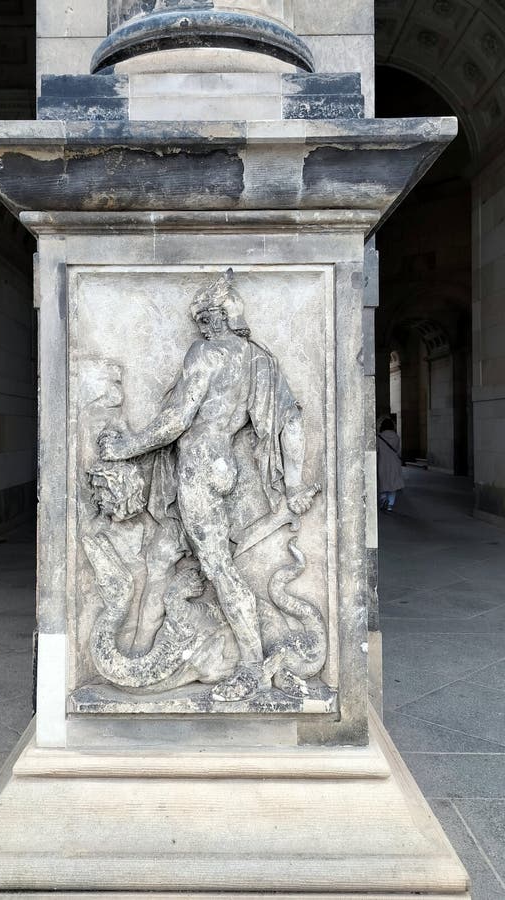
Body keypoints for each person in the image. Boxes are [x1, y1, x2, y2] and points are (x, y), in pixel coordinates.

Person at [98, 269, 317, 701]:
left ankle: (251, 665)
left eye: (202, 317)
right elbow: (290, 421)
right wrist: (293, 486)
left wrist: (126, 446)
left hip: (198, 464)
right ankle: (146, 642)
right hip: (222, 467)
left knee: (218, 567)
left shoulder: (206, 353)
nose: (200, 326)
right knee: (165, 551)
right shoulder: (259, 360)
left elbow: (177, 421)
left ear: (216, 317)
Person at [377, 417, 404, 512]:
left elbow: (377, 450)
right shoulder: (396, 437)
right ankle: (390, 505)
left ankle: (384, 499)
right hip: (394, 463)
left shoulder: (379, 437)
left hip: (383, 462)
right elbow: (398, 450)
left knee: (383, 481)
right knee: (393, 484)